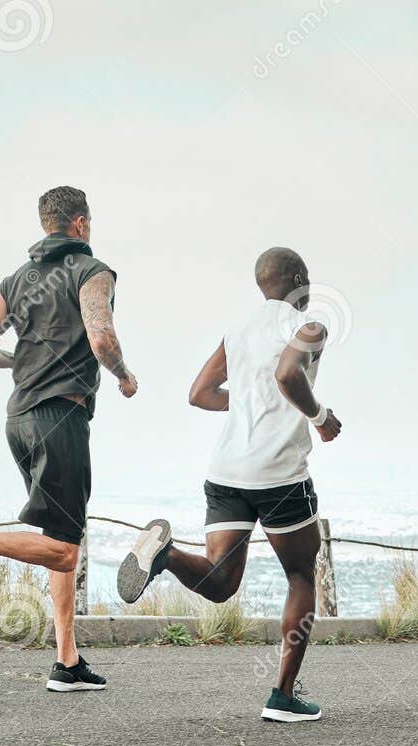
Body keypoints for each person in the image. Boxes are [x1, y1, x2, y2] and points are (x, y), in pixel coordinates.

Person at [0, 186, 136, 692]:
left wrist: (20, 361)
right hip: (60, 417)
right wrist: (124, 376)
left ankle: (67, 660)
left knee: (60, 538)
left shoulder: (16, 280)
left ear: (46, 224)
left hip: (19, 418)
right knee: (65, 550)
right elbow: (101, 336)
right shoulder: (93, 270)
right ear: (81, 224)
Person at [115, 247, 341, 722]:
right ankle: (282, 696)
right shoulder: (310, 328)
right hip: (280, 476)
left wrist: (250, 404)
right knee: (301, 576)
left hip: (226, 472)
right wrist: (320, 417)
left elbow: (200, 394)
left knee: (220, 583)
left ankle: (165, 555)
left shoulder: (237, 331)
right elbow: (287, 374)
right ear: (297, 280)